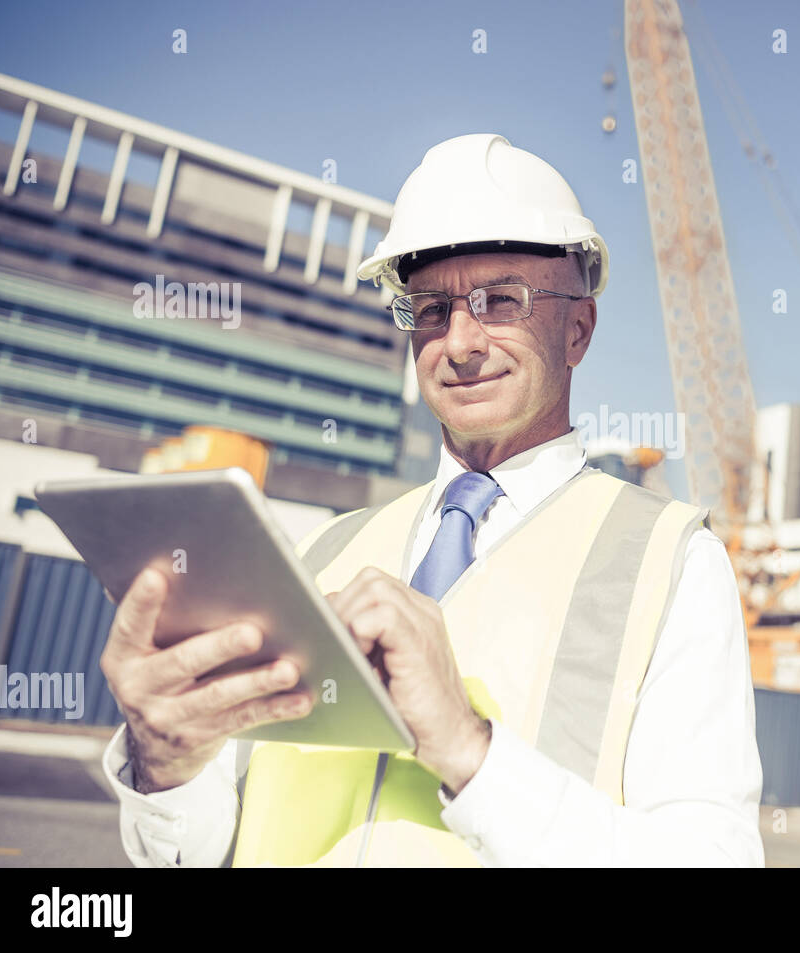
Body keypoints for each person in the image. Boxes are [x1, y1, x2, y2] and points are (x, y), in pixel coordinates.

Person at [99, 133, 764, 867]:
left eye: (500, 300)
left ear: (578, 328)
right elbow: (195, 849)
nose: (460, 342)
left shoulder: (670, 564)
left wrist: (470, 749)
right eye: (432, 309)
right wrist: (166, 765)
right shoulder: (324, 550)